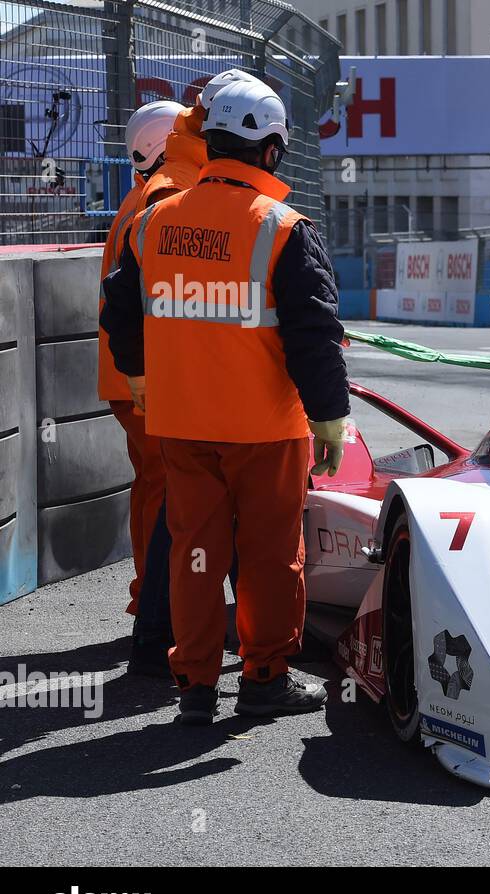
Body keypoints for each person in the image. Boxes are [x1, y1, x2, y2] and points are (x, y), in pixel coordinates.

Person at [102, 78, 350, 725]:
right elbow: (314, 334)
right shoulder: (284, 229)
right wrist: (331, 417)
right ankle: (265, 677)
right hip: (266, 431)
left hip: (183, 427)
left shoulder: (155, 221)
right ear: (271, 151)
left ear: (209, 144)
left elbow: (119, 309)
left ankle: (195, 686)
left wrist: (136, 377)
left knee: (194, 553)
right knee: (269, 557)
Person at [99, 72, 261, 678]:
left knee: (161, 492)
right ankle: (160, 619)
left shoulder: (150, 193)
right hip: (152, 376)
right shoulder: (169, 194)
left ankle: (155, 612)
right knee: (176, 499)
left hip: (134, 372)